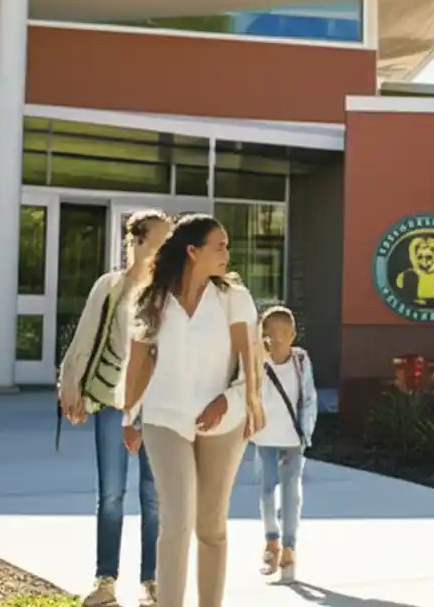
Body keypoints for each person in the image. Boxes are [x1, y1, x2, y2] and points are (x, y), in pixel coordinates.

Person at [120, 213, 267, 607]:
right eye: (218, 246)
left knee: (210, 527)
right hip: (163, 417)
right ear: (192, 251)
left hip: (224, 421)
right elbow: (138, 363)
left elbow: (251, 363)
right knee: (177, 520)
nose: (227, 253)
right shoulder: (152, 299)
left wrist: (231, 402)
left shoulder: (234, 298)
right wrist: (129, 415)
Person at [58, 209, 169, 607]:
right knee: (111, 495)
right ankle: (106, 581)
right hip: (110, 401)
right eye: (161, 237)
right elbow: (85, 336)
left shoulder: (167, 291)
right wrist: (70, 385)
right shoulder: (111, 286)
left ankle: (152, 582)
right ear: (138, 240)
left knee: (154, 496)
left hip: (155, 406)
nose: (167, 245)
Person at [253, 305, 318, 583]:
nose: (278, 338)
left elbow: (309, 398)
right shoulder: (257, 361)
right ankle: (271, 542)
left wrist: (306, 435)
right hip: (265, 437)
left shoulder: (300, 361)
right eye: (271, 333)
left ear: (293, 335)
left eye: (284, 333)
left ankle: (290, 547)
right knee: (267, 490)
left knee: (291, 492)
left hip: (292, 439)